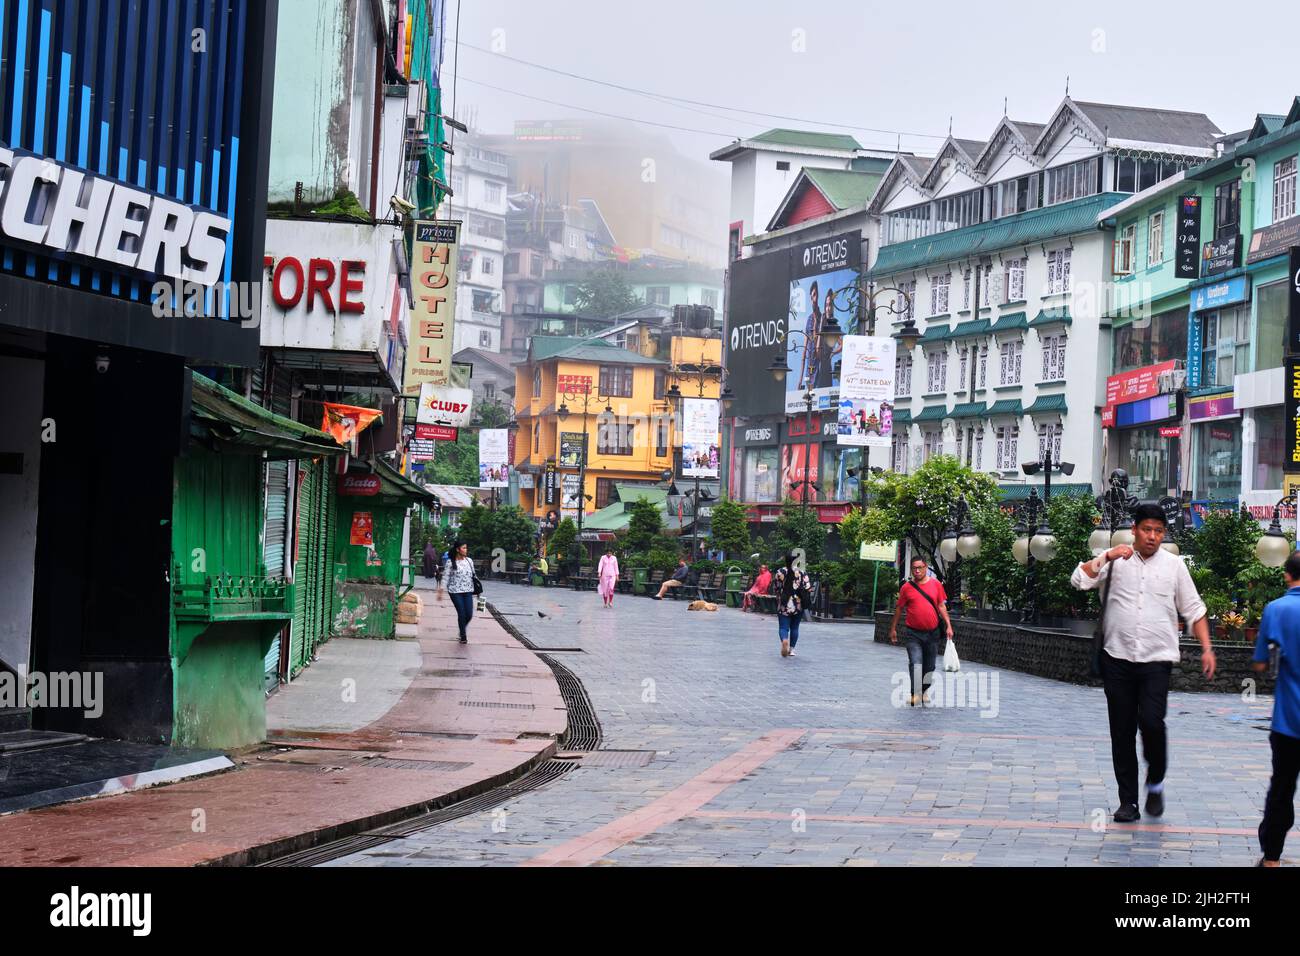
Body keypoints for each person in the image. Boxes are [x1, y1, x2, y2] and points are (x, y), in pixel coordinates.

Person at [1071, 503, 1214, 824]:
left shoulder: (1175, 566)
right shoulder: (1116, 560)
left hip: (1156, 660)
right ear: (1134, 530)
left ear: (1164, 534)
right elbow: (1079, 580)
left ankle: (1157, 780)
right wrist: (1106, 556)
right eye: (1146, 530)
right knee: (1121, 731)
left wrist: (1207, 648)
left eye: (1158, 531)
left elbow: (1194, 609)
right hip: (1116, 658)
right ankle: (1128, 802)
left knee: (1151, 722)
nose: (1152, 536)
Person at [1253, 551, 1300, 867]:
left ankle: (1271, 858)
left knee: (1282, 787)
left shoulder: (1275, 609)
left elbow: (1258, 663)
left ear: (1286, 575)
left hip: (1288, 720)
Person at [888, 558, 954, 706]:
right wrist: (893, 629)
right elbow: (899, 609)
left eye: (920, 568)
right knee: (915, 662)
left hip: (933, 633)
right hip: (913, 634)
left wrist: (949, 625)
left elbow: (941, 606)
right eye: (914, 568)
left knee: (930, 667)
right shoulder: (906, 587)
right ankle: (915, 693)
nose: (917, 571)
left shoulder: (936, 584)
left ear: (925, 568)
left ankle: (924, 691)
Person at [771, 552, 813, 657]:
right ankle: (791, 650)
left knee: (783, 627)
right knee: (795, 627)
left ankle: (785, 640)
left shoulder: (780, 572)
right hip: (798, 603)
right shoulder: (802, 572)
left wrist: (779, 596)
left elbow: (775, 587)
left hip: (784, 602)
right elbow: (808, 588)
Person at [437, 540, 477, 644]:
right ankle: (463, 635)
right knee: (462, 613)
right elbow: (445, 577)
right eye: (463, 548)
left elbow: (474, 575)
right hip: (455, 591)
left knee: (469, 614)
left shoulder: (469, 561)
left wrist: (478, 590)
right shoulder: (451, 562)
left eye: (466, 548)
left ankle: (461, 629)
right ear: (458, 550)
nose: (466, 550)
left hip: (468, 590)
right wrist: (441, 590)